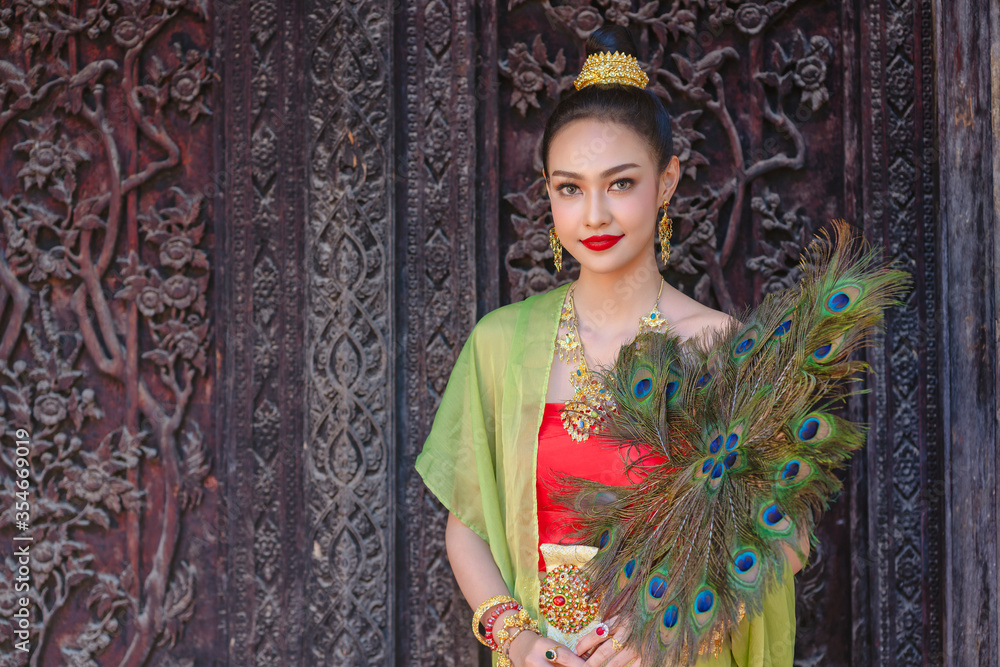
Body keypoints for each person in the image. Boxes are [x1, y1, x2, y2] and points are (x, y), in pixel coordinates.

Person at [414, 25, 805, 667]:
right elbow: (469, 527)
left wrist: (668, 632)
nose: (593, 214)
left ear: (668, 180)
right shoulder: (500, 345)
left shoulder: (718, 348)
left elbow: (781, 542)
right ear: (548, 193)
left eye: (620, 183)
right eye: (570, 188)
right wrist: (522, 640)